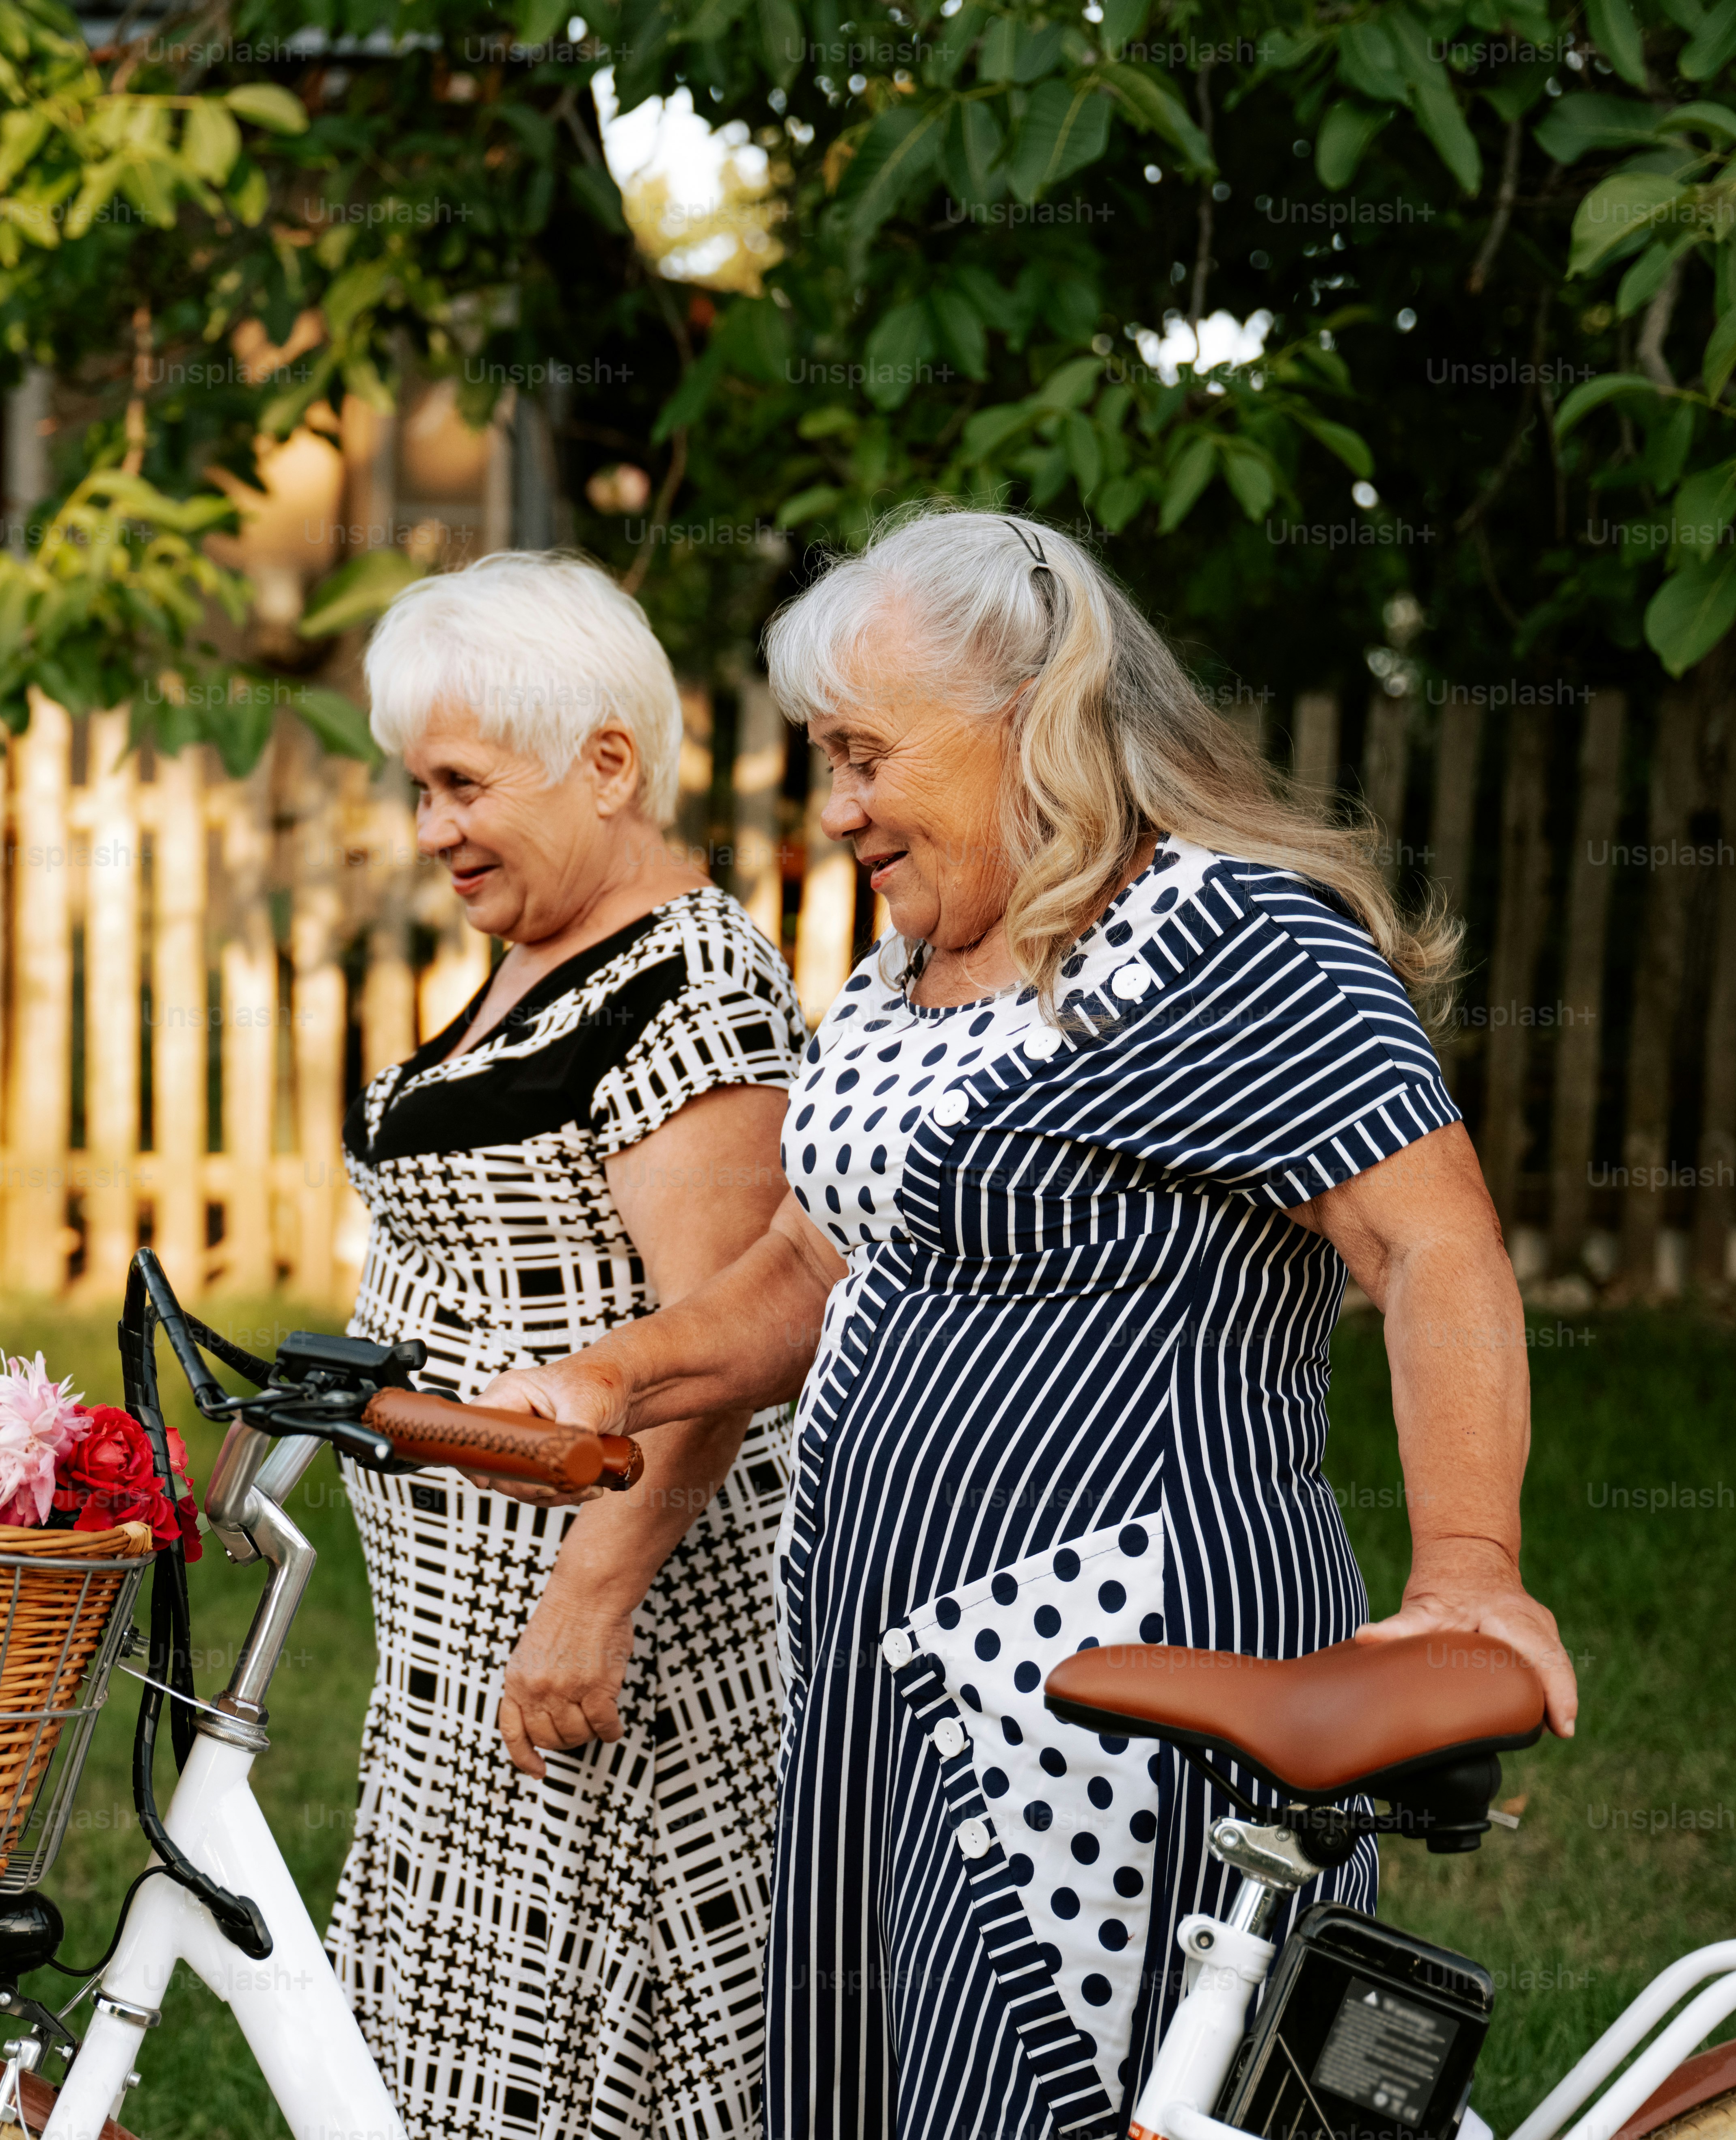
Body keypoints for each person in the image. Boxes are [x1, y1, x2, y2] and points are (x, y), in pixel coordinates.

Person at [481, 508, 1581, 2140]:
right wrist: (614, 1373)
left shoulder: (1232, 941)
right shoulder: (901, 972)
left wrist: (1467, 1579)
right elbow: (809, 1264)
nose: (836, 807)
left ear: (1028, 720)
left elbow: (1432, 1251)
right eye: (822, 758)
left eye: (863, 755)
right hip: (878, 1689)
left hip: (1108, 1692)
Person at [329, 550, 802, 2140]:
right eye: (419, 788)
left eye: (463, 785)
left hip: (618, 1652)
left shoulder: (689, 983)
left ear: (607, 763)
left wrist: (589, 1605)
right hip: (463, 1639)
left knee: (605, 2071)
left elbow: (735, 1334)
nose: (434, 828)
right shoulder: (537, 956)